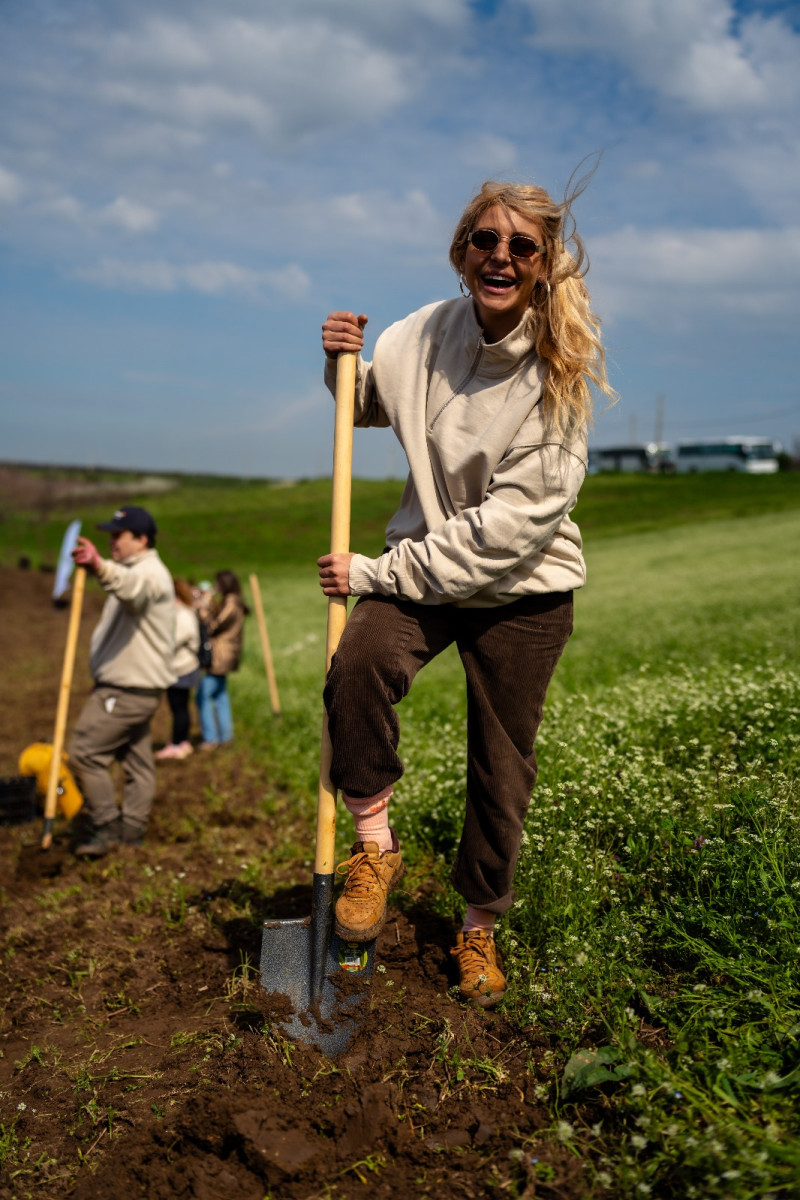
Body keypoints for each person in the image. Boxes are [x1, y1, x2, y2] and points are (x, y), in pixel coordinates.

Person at [319, 175, 616, 1008]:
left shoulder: (560, 379)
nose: (501, 256)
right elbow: (370, 405)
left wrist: (376, 572)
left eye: (522, 246)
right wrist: (341, 364)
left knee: (501, 763)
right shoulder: (423, 334)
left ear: (544, 264)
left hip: (522, 588)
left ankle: (479, 923)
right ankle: (374, 848)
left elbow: (502, 536)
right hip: (426, 571)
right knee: (360, 663)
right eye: (486, 240)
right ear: (462, 251)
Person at [69, 505, 175, 856]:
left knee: (85, 751)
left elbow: (132, 590)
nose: (113, 541)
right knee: (137, 761)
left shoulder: (150, 574)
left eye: (119, 535)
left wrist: (99, 566)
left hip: (128, 689)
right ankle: (131, 831)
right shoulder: (136, 569)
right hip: (129, 686)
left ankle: (104, 826)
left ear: (142, 539)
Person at [195, 570, 249, 749]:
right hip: (226, 654)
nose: (215, 587)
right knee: (220, 695)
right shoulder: (232, 601)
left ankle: (211, 738)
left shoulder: (231, 603)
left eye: (217, 583)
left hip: (221, 655)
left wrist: (201, 609)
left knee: (203, 695)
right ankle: (226, 736)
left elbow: (213, 626)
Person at [155, 578, 201, 761]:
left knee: (179, 708)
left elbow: (174, 641)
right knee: (178, 707)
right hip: (179, 668)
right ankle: (180, 742)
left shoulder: (183, 615)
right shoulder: (180, 613)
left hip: (183, 668)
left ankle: (179, 743)